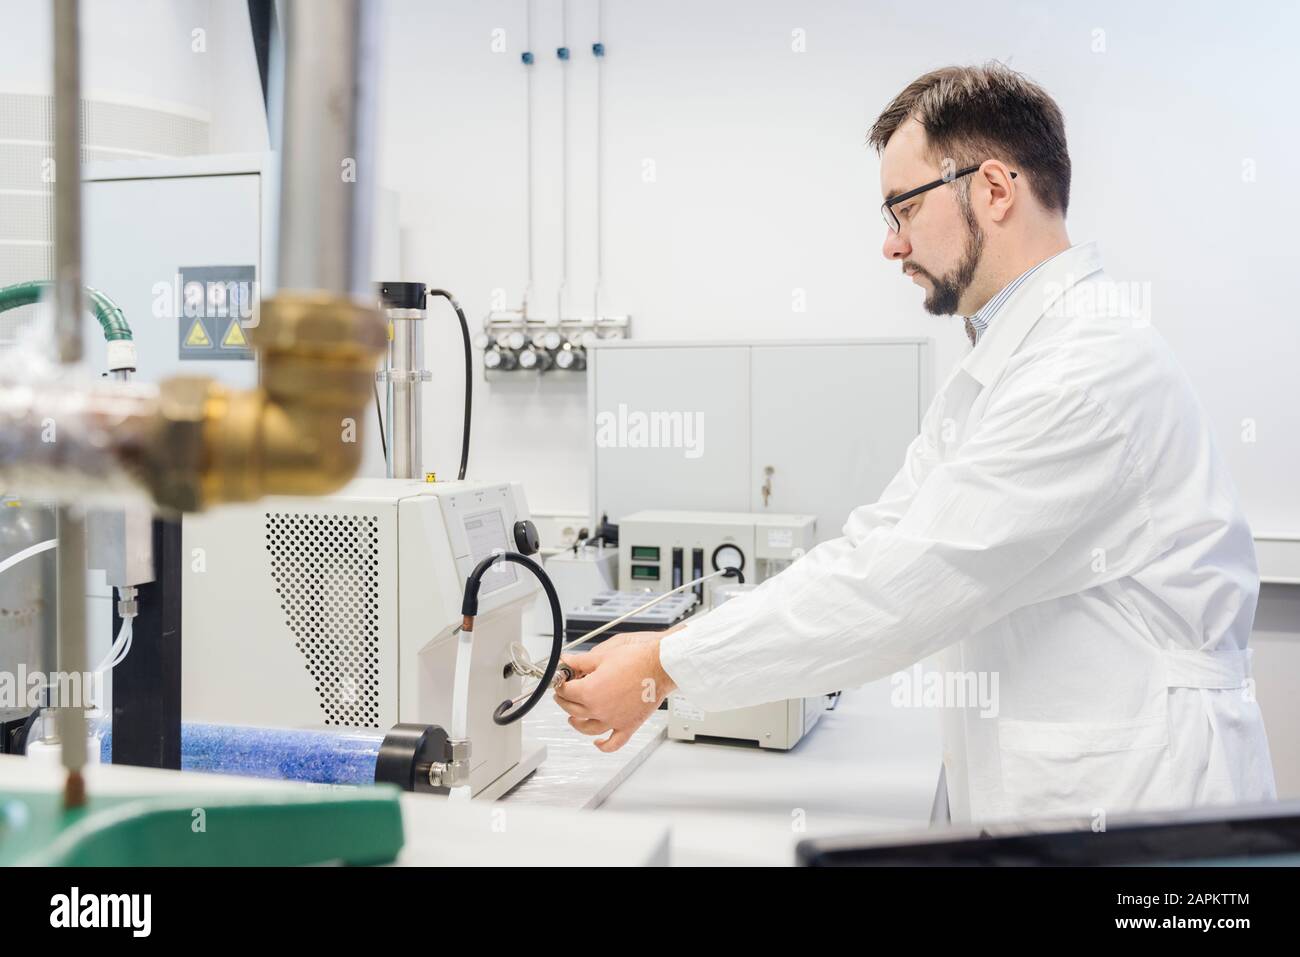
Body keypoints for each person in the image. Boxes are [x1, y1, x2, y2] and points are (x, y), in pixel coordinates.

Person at [555, 63, 1276, 825]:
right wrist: (669, 653)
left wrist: (666, 664)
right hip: (1073, 801)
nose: (891, 246)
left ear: (994, 190)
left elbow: (899, 590)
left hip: (1142, 816)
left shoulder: (1085, 370)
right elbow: (876, 546)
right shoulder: (1003, 364)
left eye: (902, 209)